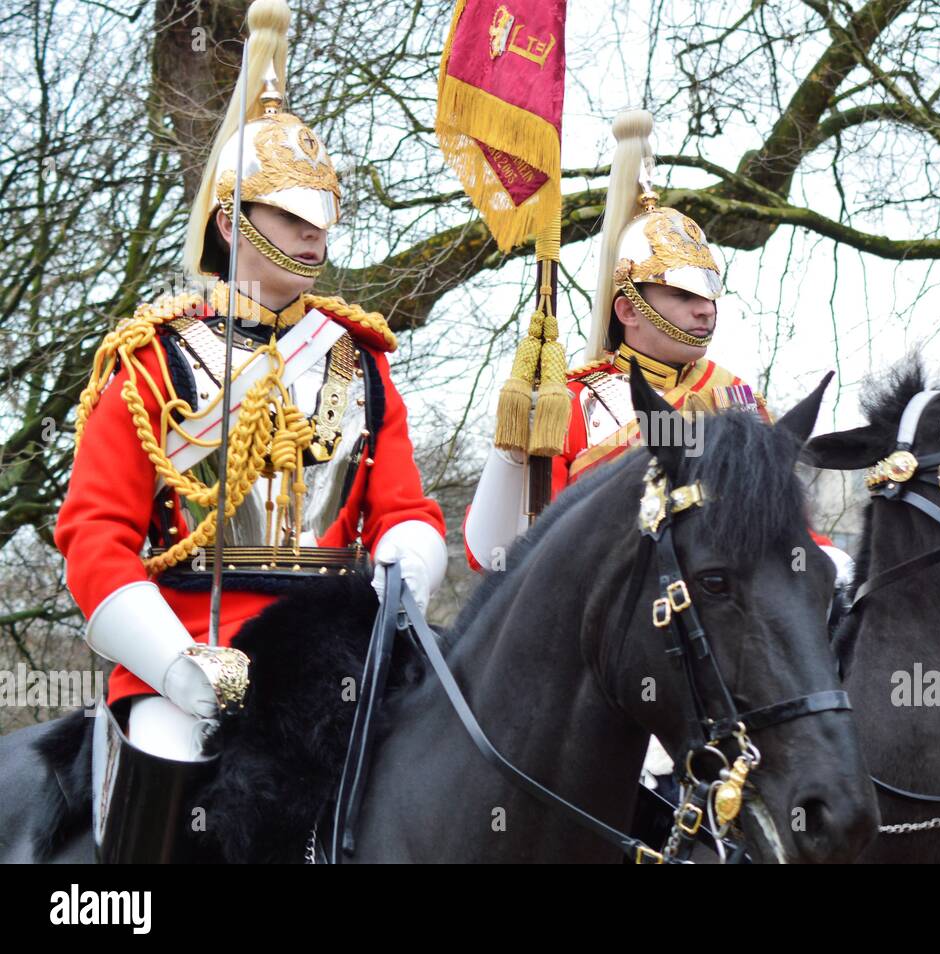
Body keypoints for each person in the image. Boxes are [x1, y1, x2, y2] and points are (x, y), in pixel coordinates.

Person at [55, 0, 446, 781]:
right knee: (165, 778)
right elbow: (95, 539)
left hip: (338, 652)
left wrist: (390, 599)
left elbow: (405, 513)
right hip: (192, 644)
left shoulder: (358, 359)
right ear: (232, 221)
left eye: (323, 215)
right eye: (292, 214)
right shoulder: (152, 359)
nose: (314, 234)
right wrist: (173, 663)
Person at [464, 110, 844, 574]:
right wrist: (513, 448)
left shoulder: (739, 400)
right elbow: (493, 554)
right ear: (627, 310)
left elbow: (784, 525)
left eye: (709, 295)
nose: (705, 309)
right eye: (683, 295)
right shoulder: (568, 402)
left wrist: (828, 558)